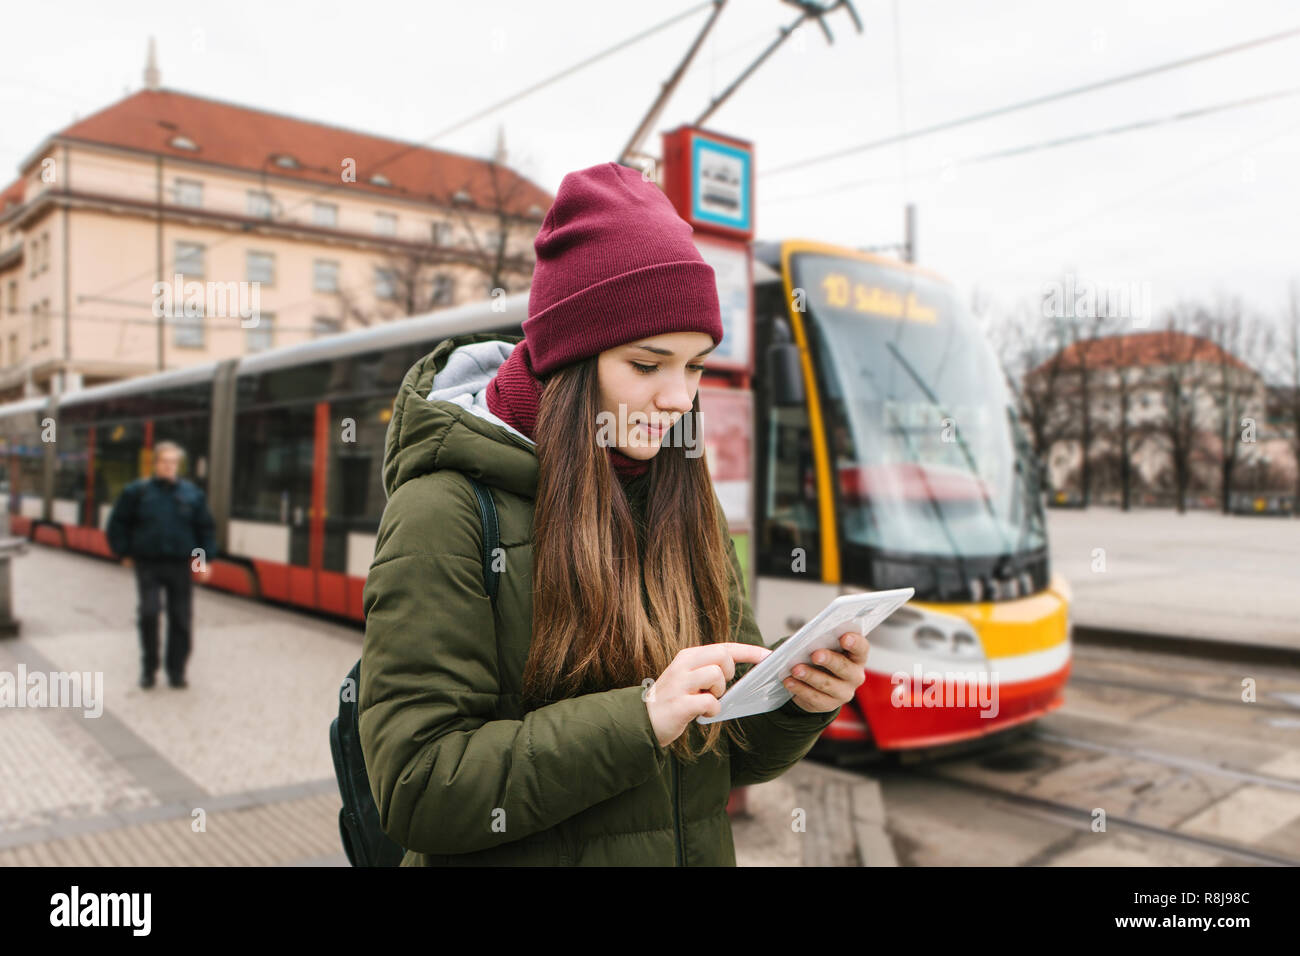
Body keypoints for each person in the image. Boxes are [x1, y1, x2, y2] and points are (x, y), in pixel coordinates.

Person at [358, 161, 870, 867]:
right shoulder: (444, 508)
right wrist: (639, 719)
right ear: (571, 359)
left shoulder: (683, 493)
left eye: (695, 367)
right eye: (648, 364)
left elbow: (724, 756)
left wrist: (803, 702)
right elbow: (418, 789)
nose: (678, 399)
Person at [106, 440, 216, 689]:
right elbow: (118, 524)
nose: (169, 467)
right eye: (165, 462)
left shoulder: (192, 495)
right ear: (155, 463)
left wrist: (201, 563)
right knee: (149, 613)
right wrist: (123, 552)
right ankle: (149, 669)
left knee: (180, 619)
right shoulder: (137, 492)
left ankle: (176, 671)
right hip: (148, 565)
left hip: (179, 566)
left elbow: (203, 532)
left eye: (174, 463)